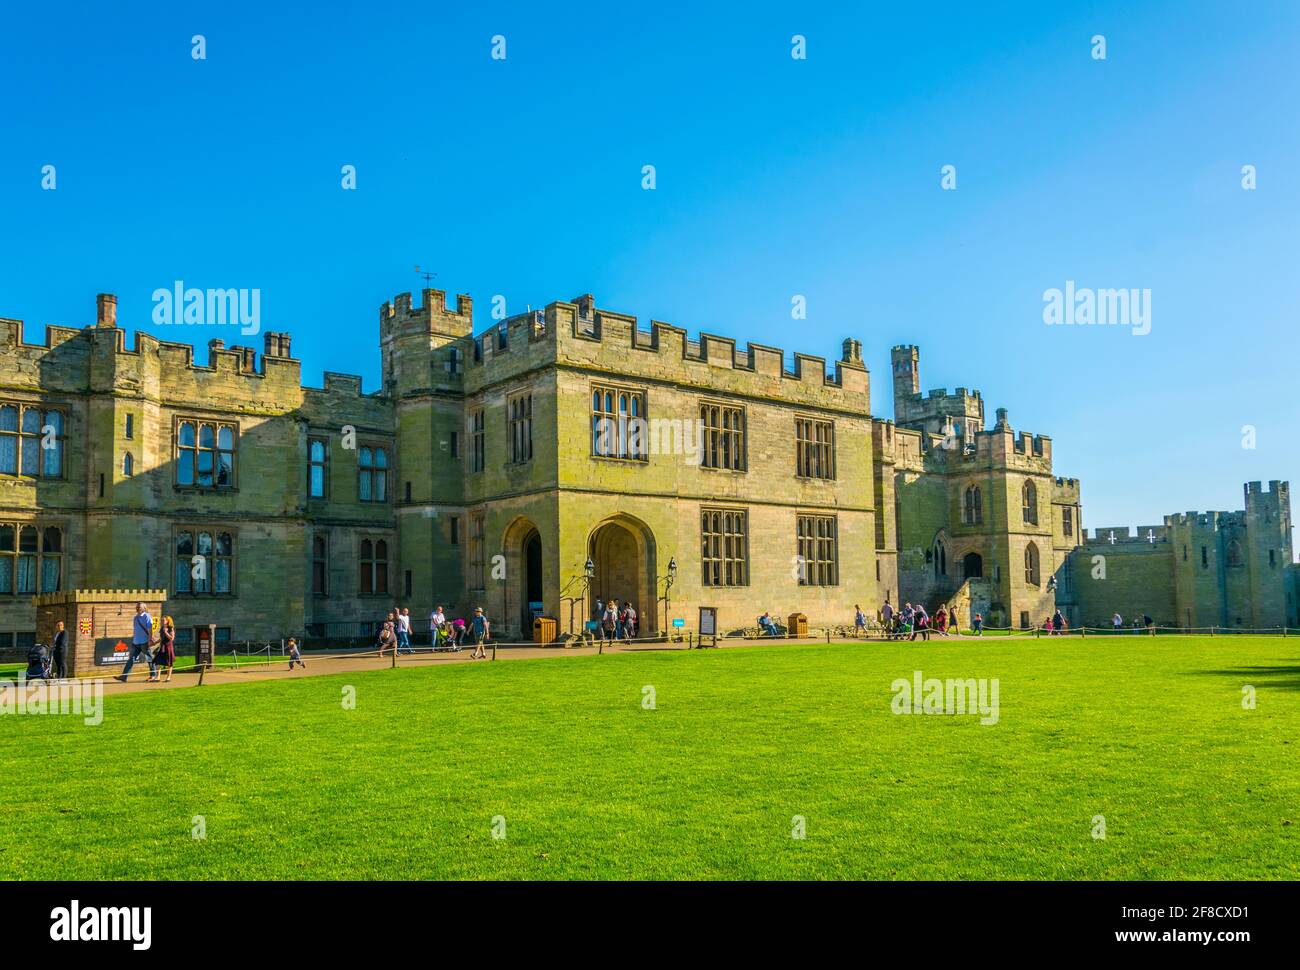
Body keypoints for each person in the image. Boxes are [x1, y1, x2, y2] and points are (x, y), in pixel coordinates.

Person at [115, 602, 157, 682]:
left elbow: (150, 630)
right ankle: (124, 677)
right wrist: (134, 640)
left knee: (149, 659)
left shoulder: (147, 616)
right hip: (136, 643)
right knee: (131, 659)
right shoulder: (135, 618)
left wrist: (149, 640)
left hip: (144, 642)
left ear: (144, 608)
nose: (137, 608)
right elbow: (136, 630)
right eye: (137, 607)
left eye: (139, 607)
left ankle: (153, 676)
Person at [155, 615, 176, 682]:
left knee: (169, 663)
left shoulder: (171, 628)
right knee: (158, 662)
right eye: (161, 620)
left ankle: (168, 678)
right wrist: (155, 642)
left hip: (168, 647)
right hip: (162, 647)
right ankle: (158, 677)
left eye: (163, 620)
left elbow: (171, 638)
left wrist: (166, 632)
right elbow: (161, 638)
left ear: (167, 621)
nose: (161, 621)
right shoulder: (162, 628)